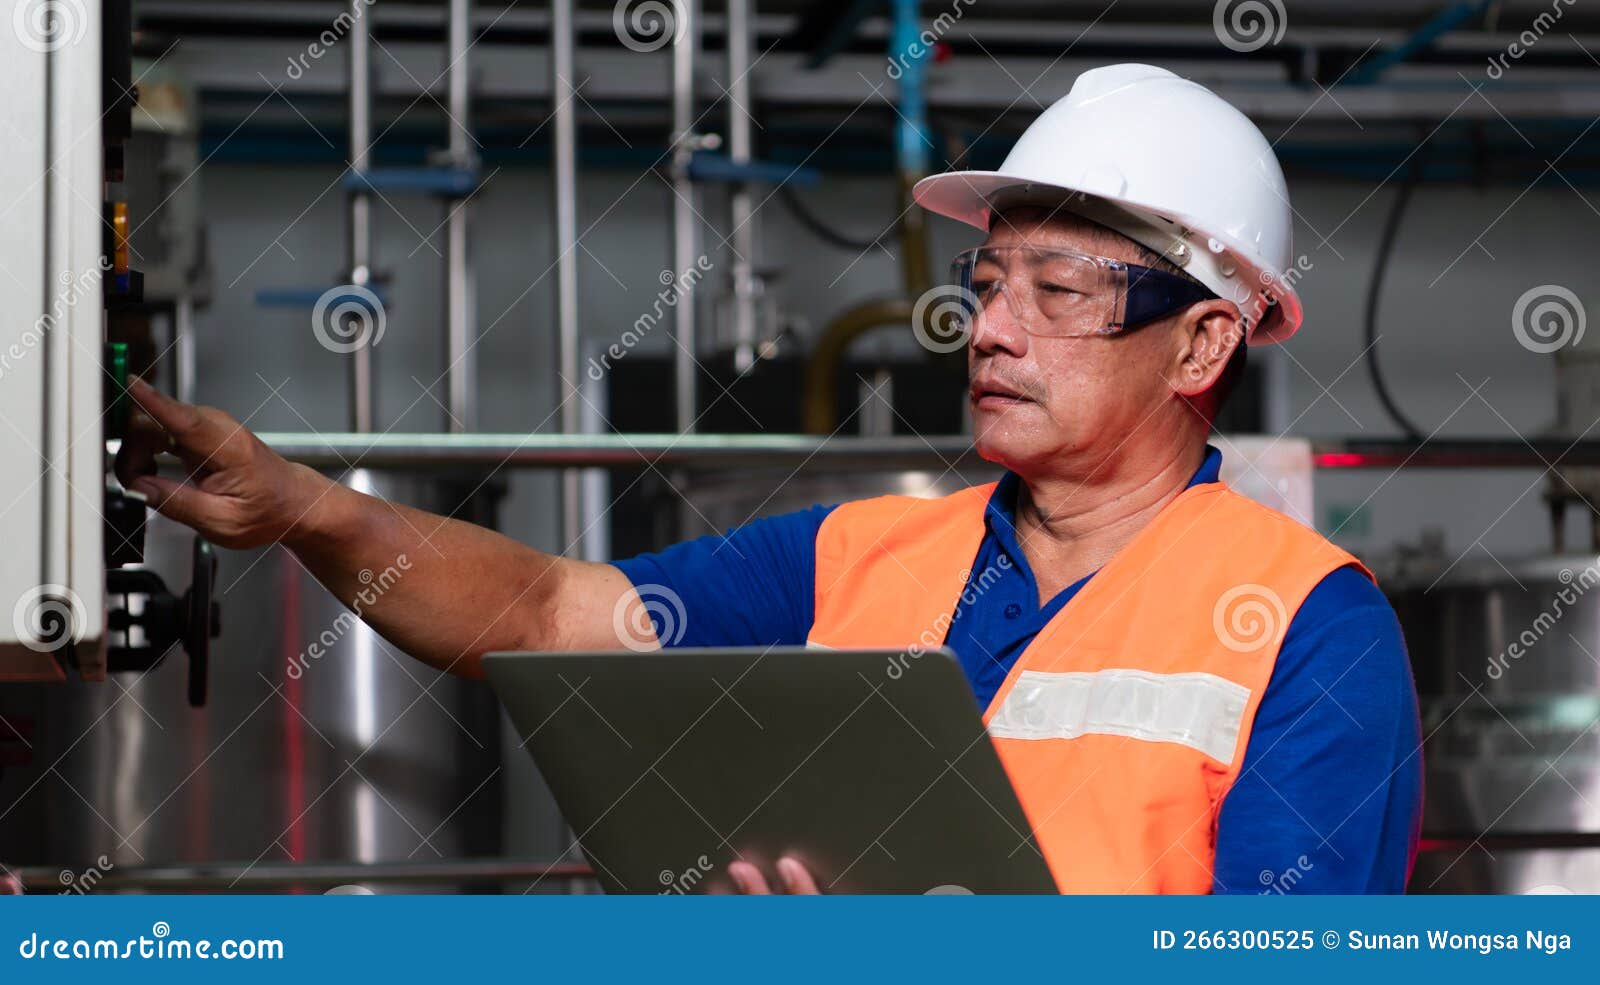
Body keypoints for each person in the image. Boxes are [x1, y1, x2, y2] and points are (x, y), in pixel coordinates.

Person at [116, 64, 1421, 894]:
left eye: (1059, 292)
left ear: (1202, 341)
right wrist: (305, 506)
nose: (995, 329)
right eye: (983, 288)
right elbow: (546, 618)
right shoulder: (858, 555)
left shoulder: (1310, 621)